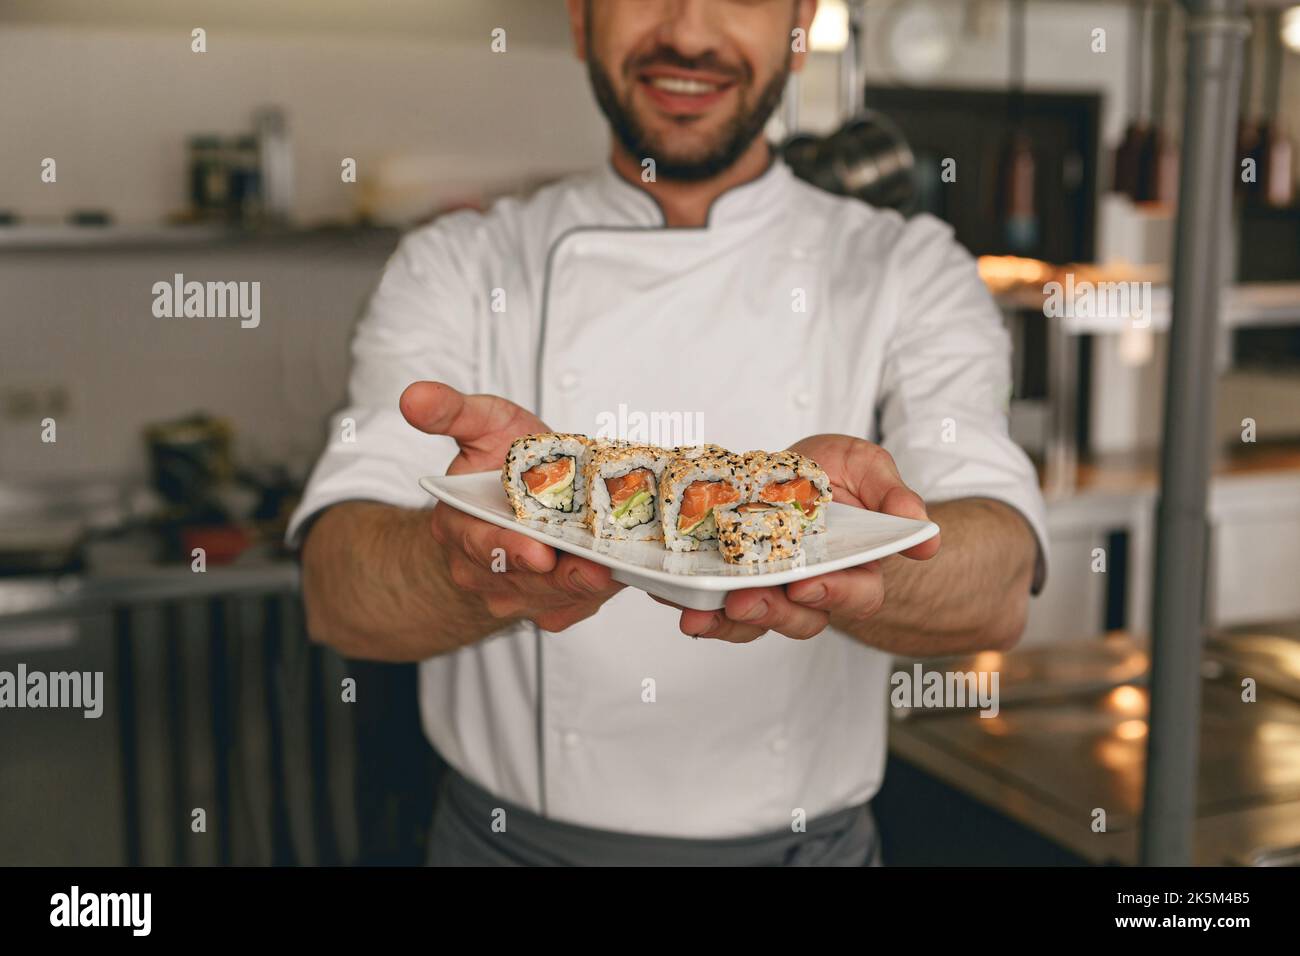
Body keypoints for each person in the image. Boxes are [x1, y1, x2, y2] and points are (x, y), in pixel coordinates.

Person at [290, 0, 1047, 866]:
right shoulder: (457, 264)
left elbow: (1001, 584)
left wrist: (820, 544)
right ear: (581, 19)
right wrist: (465, 563)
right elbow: (334, 592)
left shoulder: (909, 268)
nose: (689, 32)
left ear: (800, 26)